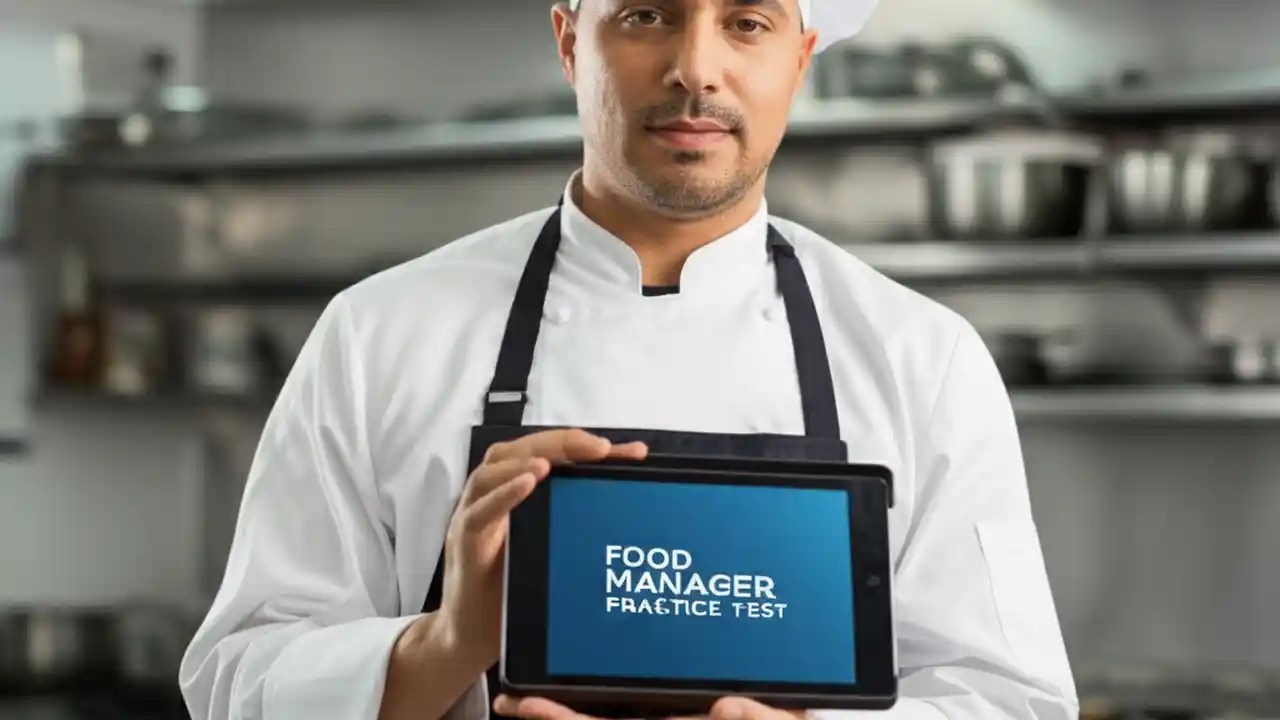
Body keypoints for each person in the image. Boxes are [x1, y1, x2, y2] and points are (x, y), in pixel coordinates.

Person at [179, 0, 1079, 718]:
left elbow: (1010, 700)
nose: (696, 67)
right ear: (571, 44)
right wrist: (449, 642)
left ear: (799, 61)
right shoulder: (378, 335)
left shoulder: (925, 360)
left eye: (747, 21)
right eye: (646, 15)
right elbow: (234, 683)